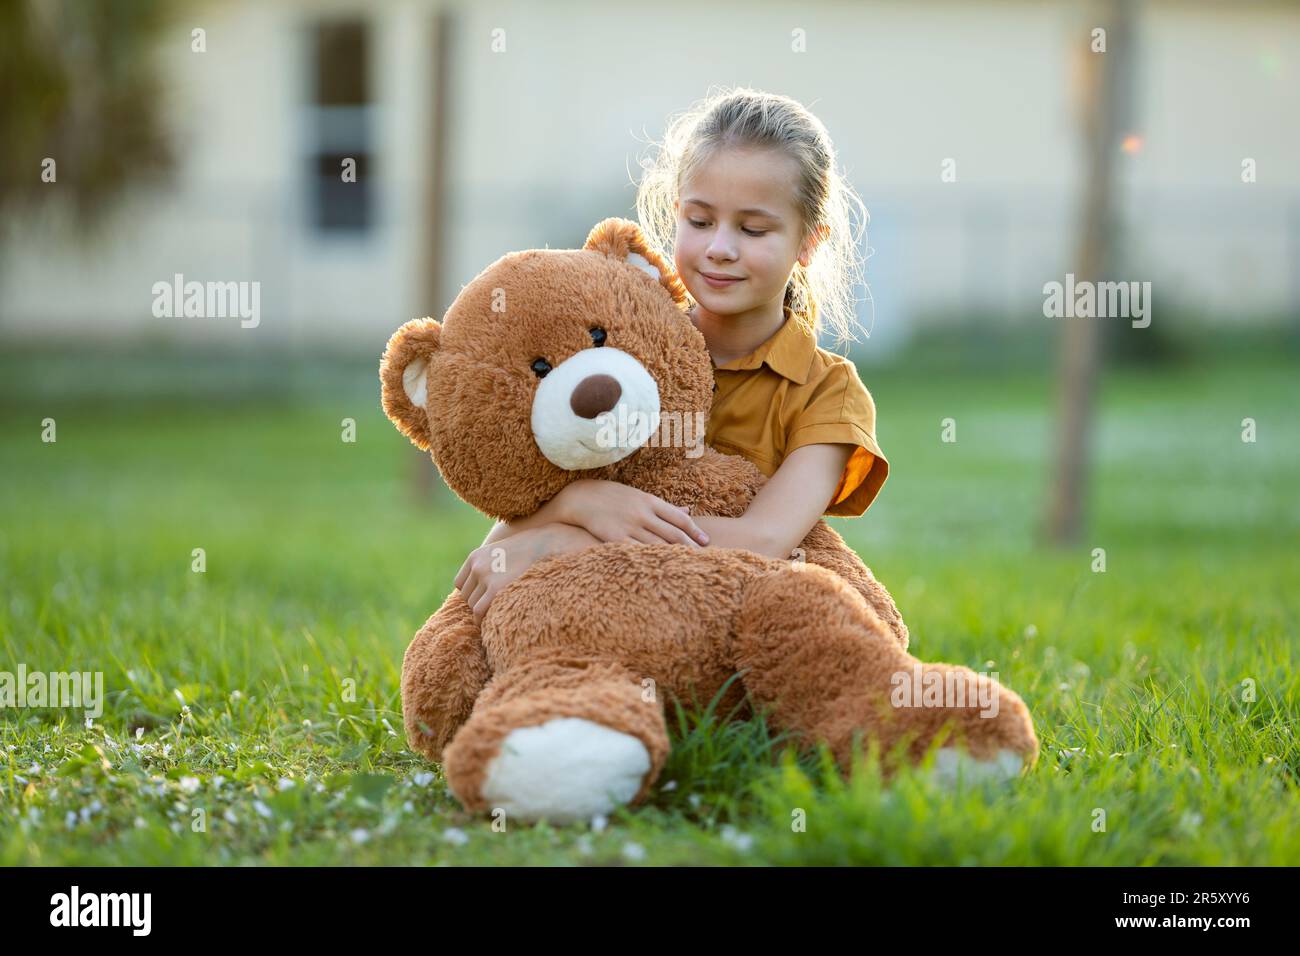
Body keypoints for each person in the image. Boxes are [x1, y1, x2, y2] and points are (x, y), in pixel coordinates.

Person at [455, 87, 888, 623]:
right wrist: (578, 503)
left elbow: (763, 540)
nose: (719, 248)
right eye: (700, 221)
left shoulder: (827, 391)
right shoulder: (620, 354)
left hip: (733, 627)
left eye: (753, 229)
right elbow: (508, 531)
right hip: (605, 623)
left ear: (809, 241)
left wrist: (582, 547)